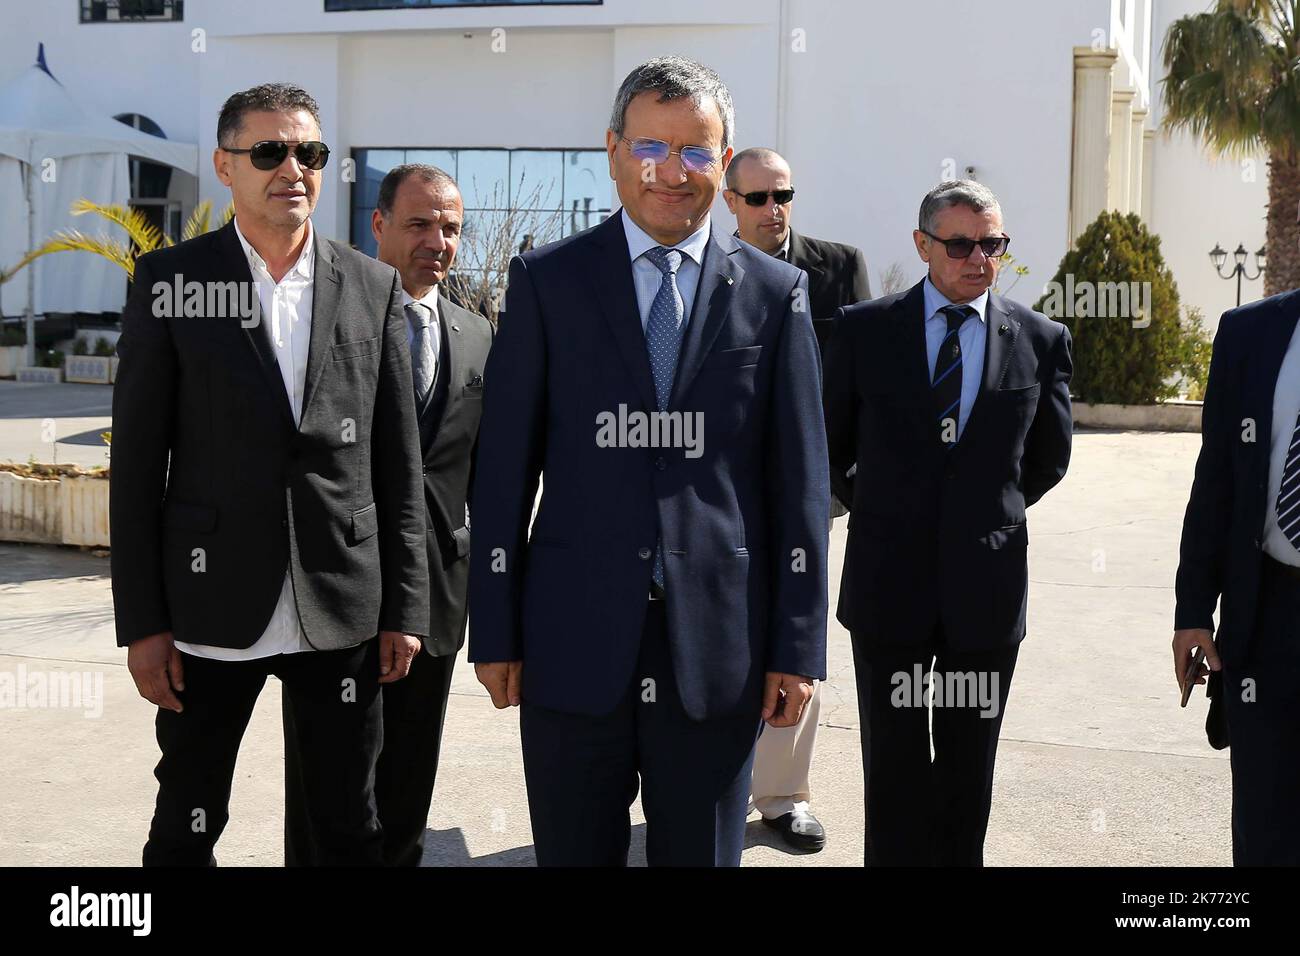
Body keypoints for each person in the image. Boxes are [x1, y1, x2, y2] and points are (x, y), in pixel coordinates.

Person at [468, 55, 830, 867]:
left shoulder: (776, 295)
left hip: (718, 655)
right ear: (613, 150)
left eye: (697, 152)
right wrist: (493, 627)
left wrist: (797, 647)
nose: (672, 172)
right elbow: (502, 474)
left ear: (724, 159)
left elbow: (799, 484)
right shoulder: (546, 282)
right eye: (650, 148)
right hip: (570, 642)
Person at [111, 83, 429, 866]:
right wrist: (143, 622)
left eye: (309, 153)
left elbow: (398, 462)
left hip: (341, 601)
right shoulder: (171, 281)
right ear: (225, 165)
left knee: (348, 824)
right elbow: (137, 467)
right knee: (188, 814)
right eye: (269, 151)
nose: (293, 168)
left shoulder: (372, 284)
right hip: (211, 601)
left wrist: (407, 606)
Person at [824, 179, 1073, 865]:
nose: (978, 258)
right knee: (895, 774)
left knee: (968, 776)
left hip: (986, 594)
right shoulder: (865, 330)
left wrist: (980, 515)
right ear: (922, 244)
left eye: (992, 243)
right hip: (887, 589)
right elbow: (832, 442)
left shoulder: (1042, 340)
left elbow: (1048, 461)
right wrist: (888, 507)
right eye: (961, 244)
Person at [283, 164, 492, 866]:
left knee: (407, 781)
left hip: (436, 593)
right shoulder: (322, 323)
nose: (439, 240)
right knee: (328, 793)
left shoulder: (476, 334)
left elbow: (482, 472)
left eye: (452, 228)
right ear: (379, 226)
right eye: (420, 224)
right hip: (338, 592)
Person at [723, 145, 872, 852]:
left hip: (815, 489)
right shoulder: (706, 275)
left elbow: (872, 381)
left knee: (796, 631)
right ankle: (708, 781)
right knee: (718, 634)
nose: (773, 209)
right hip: (723, 491)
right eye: (757, 198)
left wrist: (856, 478)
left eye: (783, 195)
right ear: (731, 203)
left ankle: (782, 796)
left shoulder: (838, 268)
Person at [1174, 282, 1300, 865]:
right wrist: (1193, 611)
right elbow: (1216, 481)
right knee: (1266, 822)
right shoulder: (1250, 333)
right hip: (1267, 611)